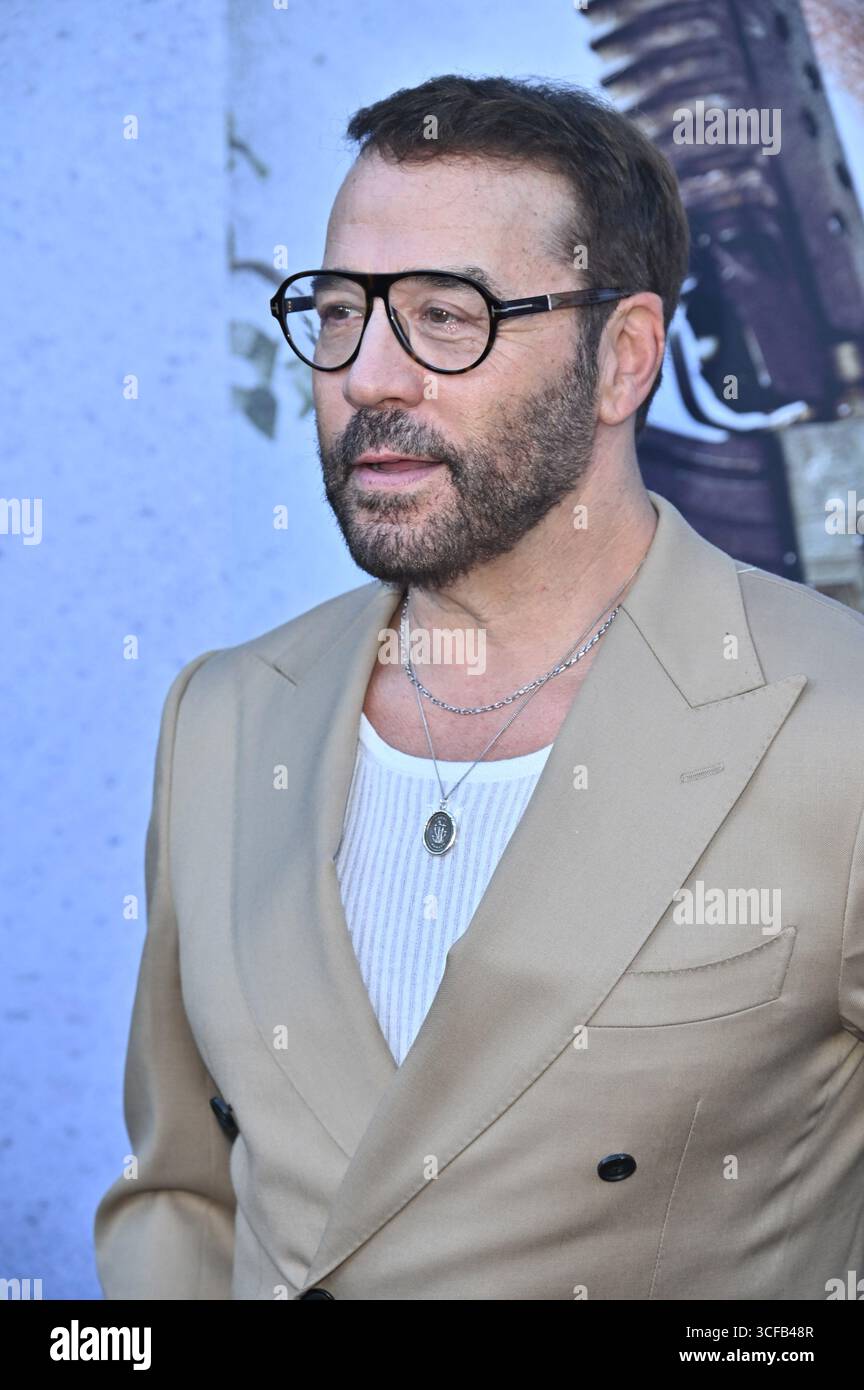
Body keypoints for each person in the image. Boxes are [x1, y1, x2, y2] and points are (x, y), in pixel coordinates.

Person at [94, 74, 864, 1301]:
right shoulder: (225, 717)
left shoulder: (837, 727)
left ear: (624, 360)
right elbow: (185, 1190)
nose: (369, 377)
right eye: (340, 312)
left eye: (446, 317)